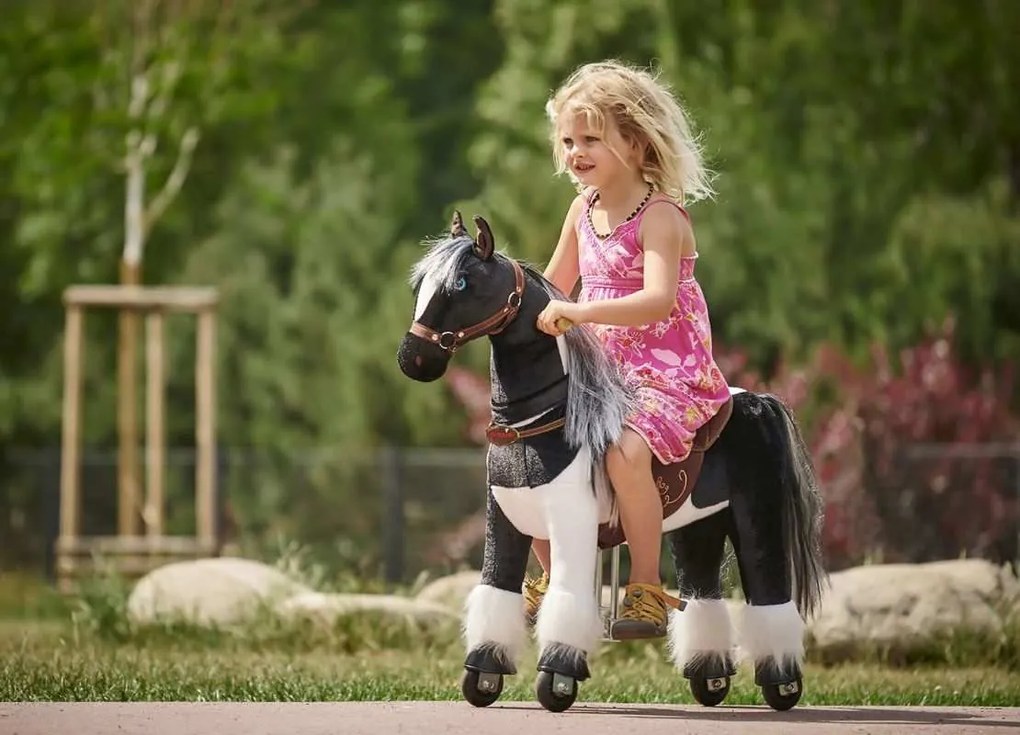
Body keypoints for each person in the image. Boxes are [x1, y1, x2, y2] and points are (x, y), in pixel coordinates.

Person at [526, 60, 731, 640]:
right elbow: (552, 284)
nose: (575, 151)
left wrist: (580, 313)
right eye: (568, 139)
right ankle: (554, 576)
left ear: (636, 143)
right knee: (532, 444)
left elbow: (657, 301)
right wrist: (509, 310)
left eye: (591, 138)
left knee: (622, 449)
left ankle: (644, 586)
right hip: (603, 371)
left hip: (667, 376)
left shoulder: (661, 216)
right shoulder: (581, 211)